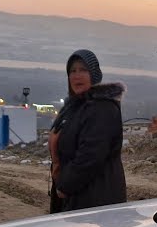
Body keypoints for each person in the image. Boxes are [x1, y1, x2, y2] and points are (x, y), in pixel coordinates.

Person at [48, 49, 127, 213]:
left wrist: (65, 186)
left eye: (83, 70)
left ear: (94, 74)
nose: (77, 76)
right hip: (75, 196)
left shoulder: (102, 108)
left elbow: (90, 156)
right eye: (72, 71)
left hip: (96, 201)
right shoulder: (73, 107)